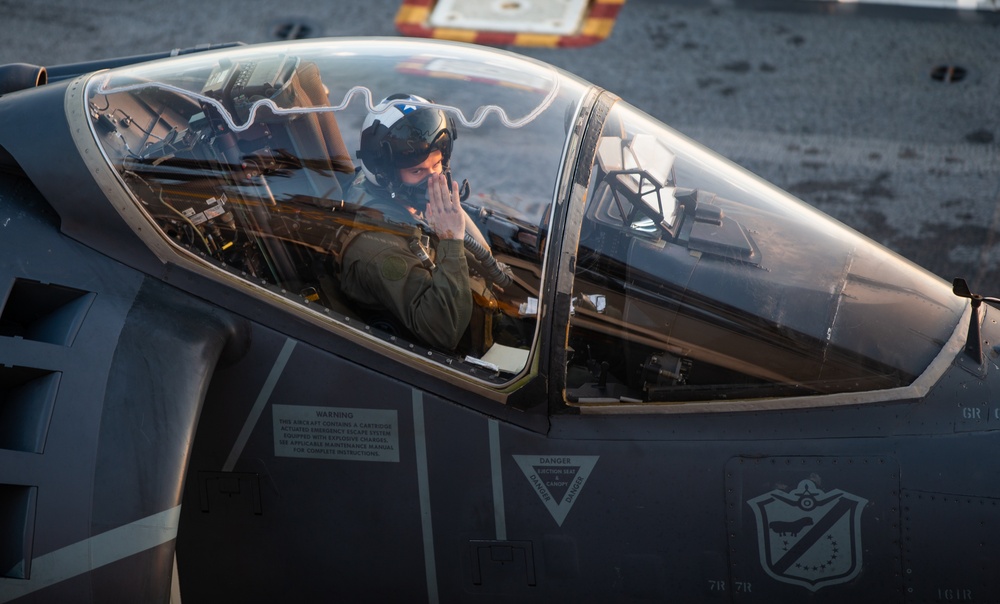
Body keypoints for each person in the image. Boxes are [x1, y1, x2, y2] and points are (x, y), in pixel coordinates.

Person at [338, 94, 496, 353]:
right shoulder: (378, 249)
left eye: (437, 165)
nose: (436, 180)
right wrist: (450, 241)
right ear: (385, 175)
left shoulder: (407, 207)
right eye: (417, 171)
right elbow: (444, 331)